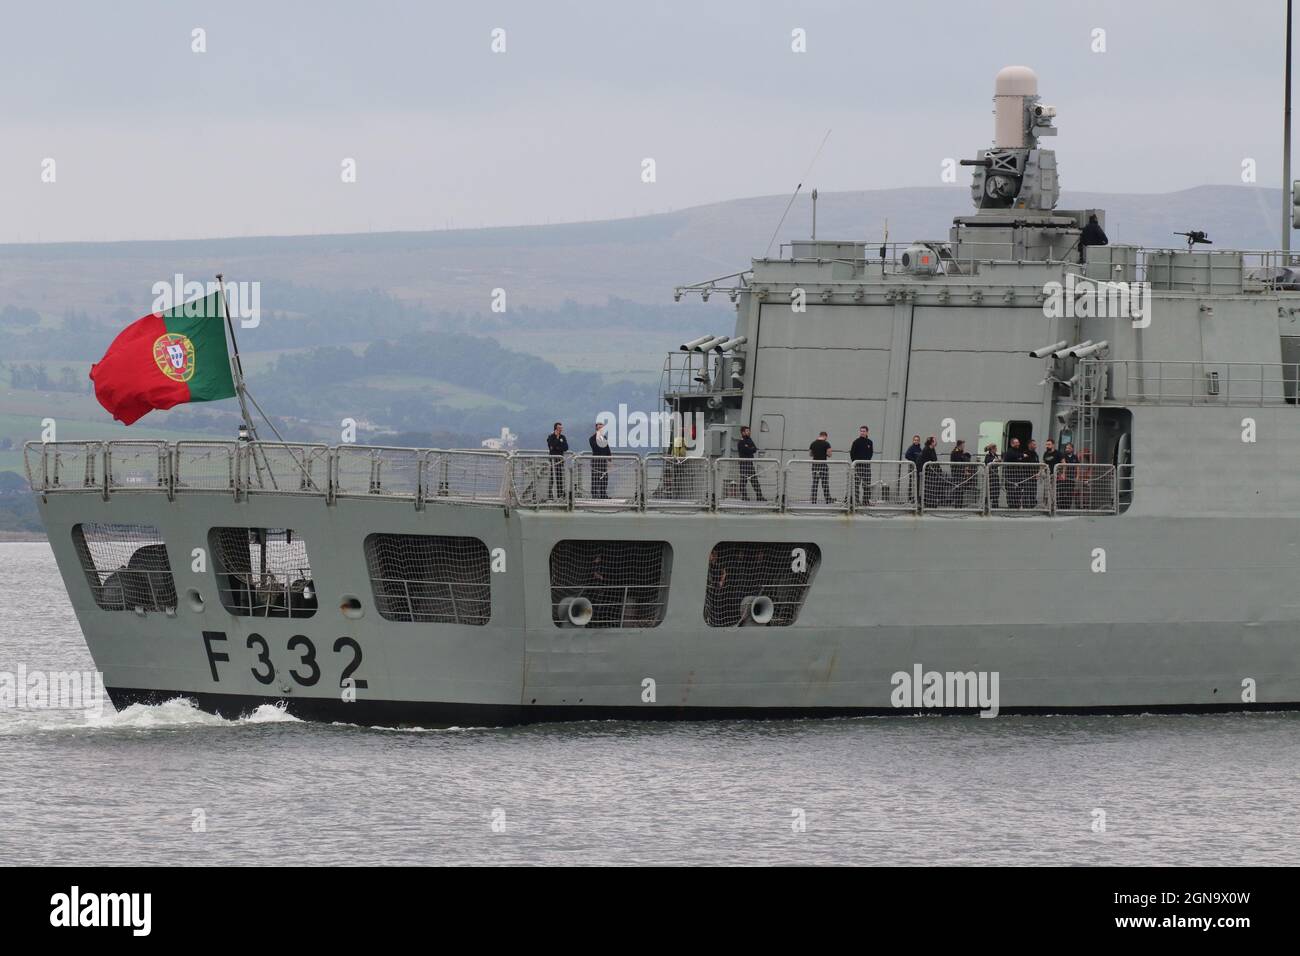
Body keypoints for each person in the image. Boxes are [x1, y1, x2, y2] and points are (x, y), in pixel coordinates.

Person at [737, 425, 765, 502]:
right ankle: (744, 497)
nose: (749, 432)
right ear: (743, 432)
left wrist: (749, 448)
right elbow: (747, 451)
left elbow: (754, 449)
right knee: (743, 481)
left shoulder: (749, 439)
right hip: (743, 464)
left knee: (755, 481)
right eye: (747, 431)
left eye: (749, 431)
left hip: (750, 464)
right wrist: (750, 448)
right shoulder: (741, 442)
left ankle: (759, 497)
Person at [850, 425, 874, 506]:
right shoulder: (856, 442)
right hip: (858, 466)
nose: (862, 432)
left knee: (867, 484)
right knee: (856, 484)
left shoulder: (870, 442)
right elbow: (852, 454)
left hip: (866, 466)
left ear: (867, 432)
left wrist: (866, 461)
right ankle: (856, 501)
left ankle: (866, 501)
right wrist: (856, 463)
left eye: (864, 431)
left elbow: (870, 453)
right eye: (861, 431)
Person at [546, 422, 568, 501]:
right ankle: (549, 495)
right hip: (552, 460)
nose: (560, 429)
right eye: (559, 428)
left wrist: (557, 447)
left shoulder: (563, 437)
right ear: (555, 428)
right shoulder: (551, 437)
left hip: (560, 461)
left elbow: (566, 447)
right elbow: (551, 446)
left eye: (561, 428)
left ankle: (560, 495)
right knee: (551, 478)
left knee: (559, 478)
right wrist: (557, 438)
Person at [589, 421, 611, 498]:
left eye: (602, 428)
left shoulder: (604, 438)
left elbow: (607, 448)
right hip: (596, 461)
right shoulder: (592, 438)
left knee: (604, 478)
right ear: (596, 428)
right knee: (595, 478)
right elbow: (595, 447)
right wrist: (599, 436)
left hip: (603, 462)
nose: (601, 429)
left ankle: (603, 494)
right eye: (599, 427)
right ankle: (594, 494)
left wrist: (609, 458)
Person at [809, 431, 832, 504]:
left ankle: (813, 500)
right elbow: (829, 454)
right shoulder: (826, 443)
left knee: (815, 483)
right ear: (825, 436)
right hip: (823, 465)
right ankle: (828, 500)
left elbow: (810, 454)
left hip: (815, 465)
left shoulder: (813, 443)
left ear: (819, 435)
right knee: (825, 483)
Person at [1056, 442, 1080, 510]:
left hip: (1071, 478)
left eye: (1069, 448)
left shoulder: (1075, 457)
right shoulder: (1063, 456)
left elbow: (1077, 466)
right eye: (1066, 448)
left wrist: (1077, 476)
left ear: (1072, 449)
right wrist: (1061, 474)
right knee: (1061, 492)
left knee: (1069, 493)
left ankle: (1067, 507)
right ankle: (1060, 507)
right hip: (1063, 478)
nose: (1067, 449)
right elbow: (1060, 466)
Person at [949, 439, 972, 505]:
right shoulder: (956, 452)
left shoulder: (960, 452)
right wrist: (964, 471)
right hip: (957, 474)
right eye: (963, 444)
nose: (964, 446)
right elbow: (958, 464)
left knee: (961, 490)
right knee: (958, 490)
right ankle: (957, 505)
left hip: (961, 474)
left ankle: (960, 505)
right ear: (960, 445)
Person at [919, 436, 940, 507]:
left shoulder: (932, 449)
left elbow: (934, 460)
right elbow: (923, 461)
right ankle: (928, 503)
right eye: (935, 441)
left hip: (932, 473)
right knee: (928, 488)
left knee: (933, 488)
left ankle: (932, 503)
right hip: (927, 473)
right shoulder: (926, 450)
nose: (936, 442)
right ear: (931, 442)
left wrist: (939, 470)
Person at [1003, 437, 1024, 508]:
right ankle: (1011, 507)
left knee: (1018, 492)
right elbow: (1013, 455)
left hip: (1018, 477)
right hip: (1010, 477)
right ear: (1012, 444)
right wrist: (1022, 455)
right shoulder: (1010, 452)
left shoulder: (1017, 451)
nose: (1018, 444)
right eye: (1016, 443)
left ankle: (1017, 506)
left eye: (1018, 442)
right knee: (1011, 492)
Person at [1021, 439, 1041, 509]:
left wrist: (1038, 473)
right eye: (1034, 444)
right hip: (1027, 476)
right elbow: (1024, 465)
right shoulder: (1025, 453)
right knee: (1026, 491)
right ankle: (1025, 507)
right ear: (1030, 445)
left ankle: (1032, 506)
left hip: (1034, 477)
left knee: (1033, 492)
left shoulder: (1035, 454)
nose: (1035, 446)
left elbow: (1038, 464)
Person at [904, 434, 922, 504]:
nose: (916, 441)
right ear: (913, 441)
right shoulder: (911, 448)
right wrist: (914, 461)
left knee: (917, 484)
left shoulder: (920, 449)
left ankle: (916, 497)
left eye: (917, 440)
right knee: (912, 484)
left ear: (919, 441)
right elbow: (907, 455)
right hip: (912, 469)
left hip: (918, 469)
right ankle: (911, 498)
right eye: (915, 440)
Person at [984, 443, 1003, 509]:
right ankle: (986, 507)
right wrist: (995, 460)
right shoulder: (988, 455)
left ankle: (995, 507)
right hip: (990, 476)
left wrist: (999, 461)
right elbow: (987, 462)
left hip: (995, 476)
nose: (996, 449)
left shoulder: (996, 455)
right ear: (992, 449)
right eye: (995, 448)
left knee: (996, 492)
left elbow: (997, 463)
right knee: (989, 492)